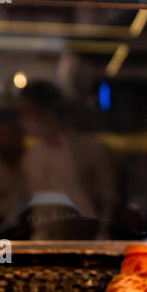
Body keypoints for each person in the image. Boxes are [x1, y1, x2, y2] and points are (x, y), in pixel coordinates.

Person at [19, 81, 117, 233]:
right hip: (43, 243)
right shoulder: (31, 156)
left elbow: (108, 199)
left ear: (48, 112)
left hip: (84, 242)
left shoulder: (90, 149)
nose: (24, 122)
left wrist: (101, 237)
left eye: (28, 114)